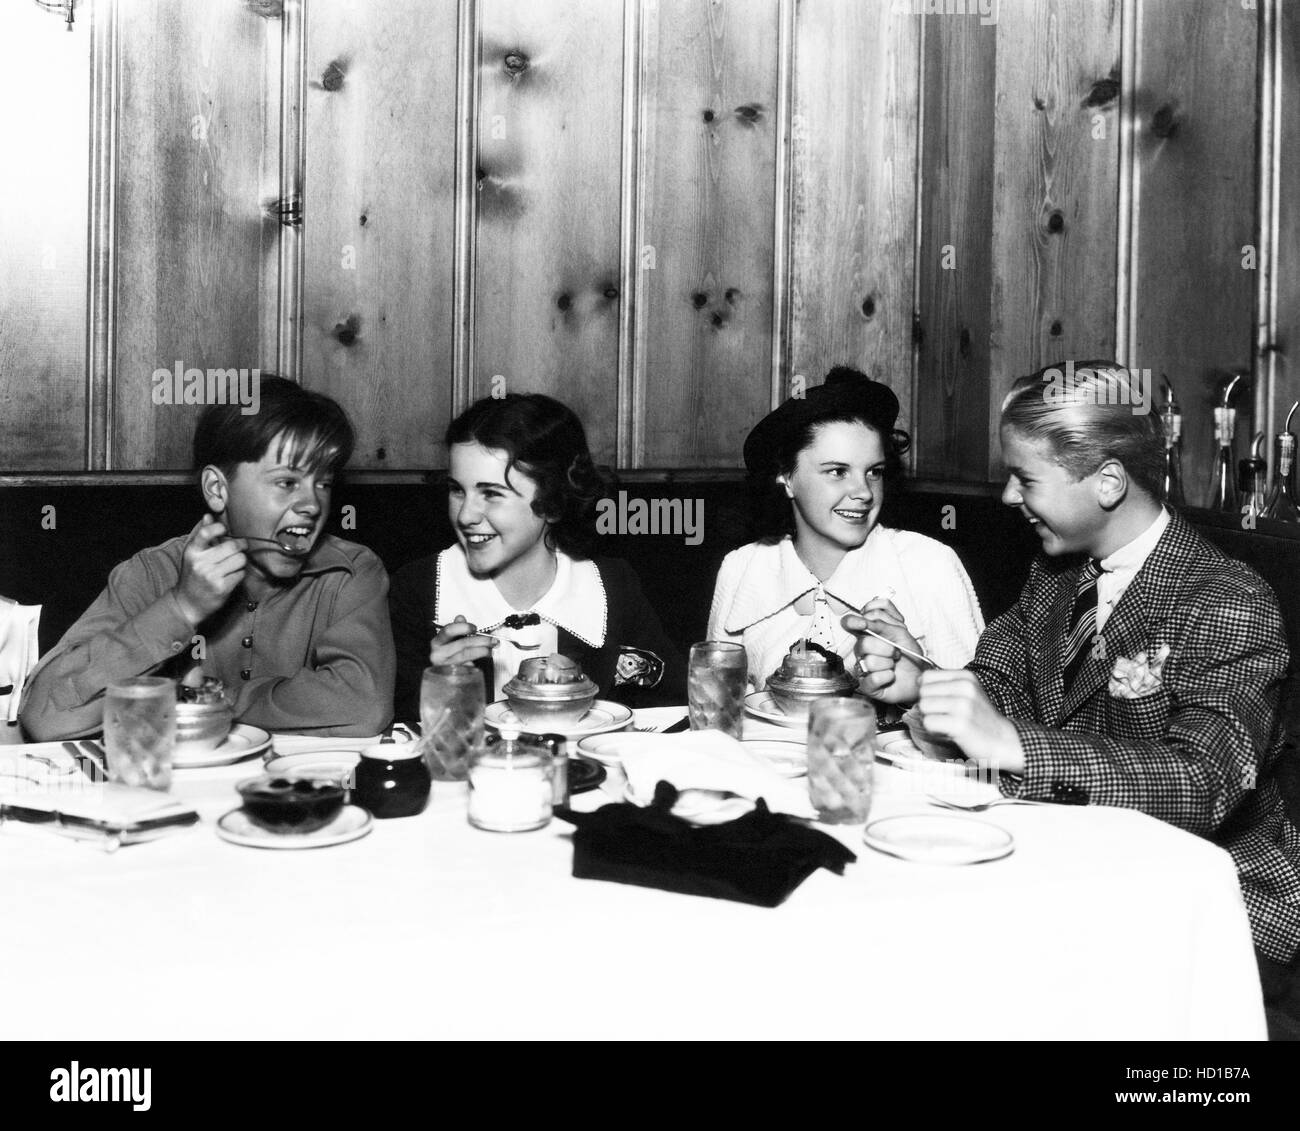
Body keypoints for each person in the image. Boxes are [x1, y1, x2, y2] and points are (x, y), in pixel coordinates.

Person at [853, 360, 1300, 1012]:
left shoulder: (1227, 599)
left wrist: (1014, 746)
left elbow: (1203, 783)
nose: (1008, 496)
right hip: (1085, 871)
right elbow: (1000, 678)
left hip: (1218, 910)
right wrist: (927, 685)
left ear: (1109, 483)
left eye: (1025, 478)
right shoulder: (1057, 570)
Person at [20, 376, 394, 739]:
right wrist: (181, 608)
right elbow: (46, 715)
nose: (313, 504)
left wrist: (210, 700)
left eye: (324, 483)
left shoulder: (350, 572)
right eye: (287, 483)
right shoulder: (152, 574)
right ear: (218, 490)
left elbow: (365, 706)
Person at [388, 393, 684, 721]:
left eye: (491, 494)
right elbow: (392, 726)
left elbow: (670, 708)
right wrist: (439, 685)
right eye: (458, 490)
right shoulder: (419, 589)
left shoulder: (612, 588)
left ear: (552, 502)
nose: (466, 515)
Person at [707, 366, 983, 692]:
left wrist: (920, 685)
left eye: (874, 472)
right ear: (786, 476)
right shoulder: (741, 568)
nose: (864, 492)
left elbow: (980, 716)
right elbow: (715, 710)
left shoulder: (929, 564)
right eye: (838, 471)